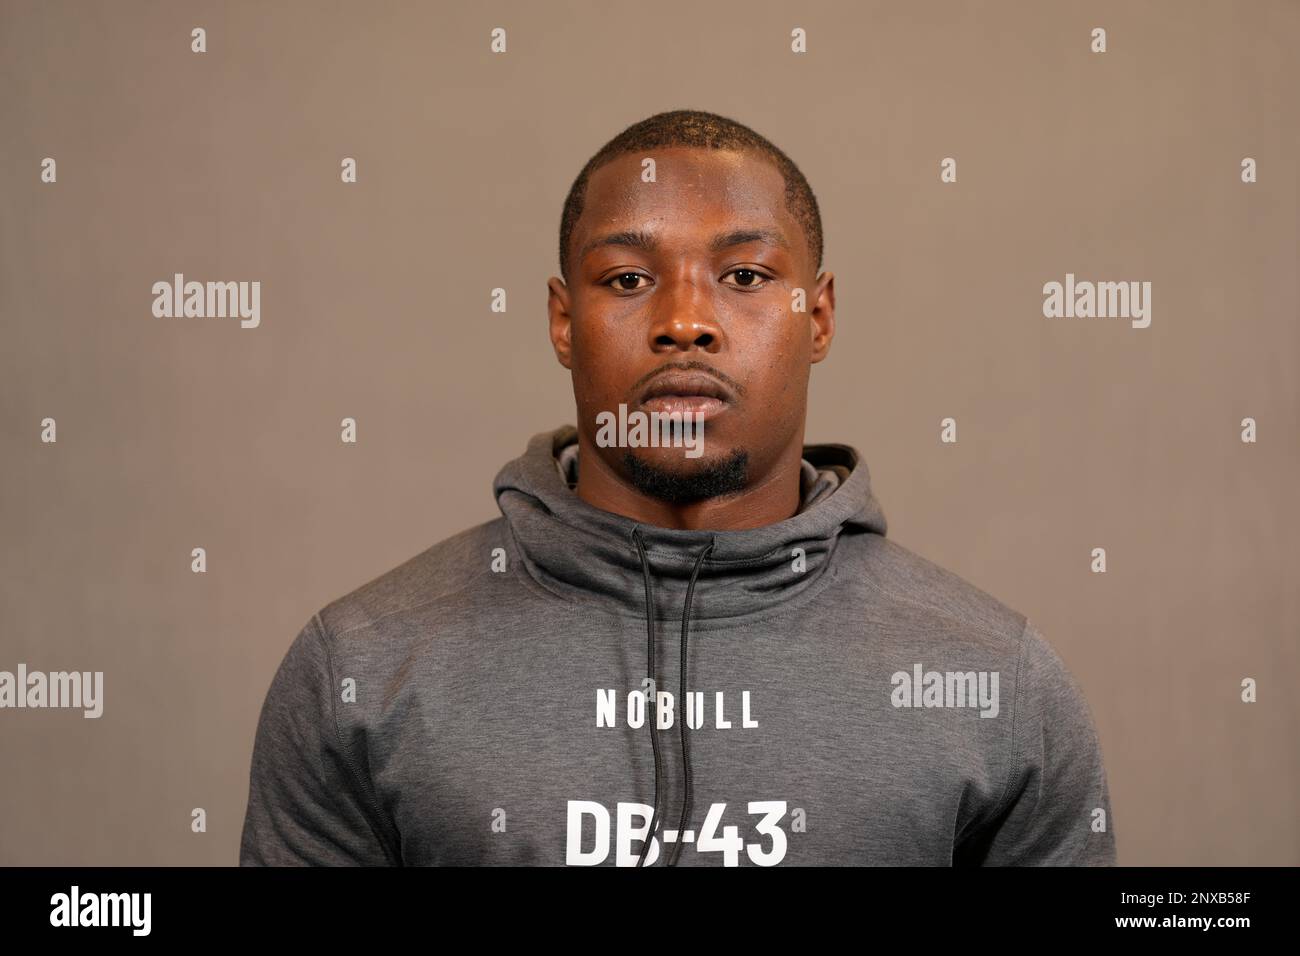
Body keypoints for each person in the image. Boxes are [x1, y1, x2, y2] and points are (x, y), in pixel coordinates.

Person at [239, 109, 1116, 866]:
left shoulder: (992, 680)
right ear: (561, 320)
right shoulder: (361, 668)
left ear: (817, 317)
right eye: (627, 279)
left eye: (744, 276)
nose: (685, 322)